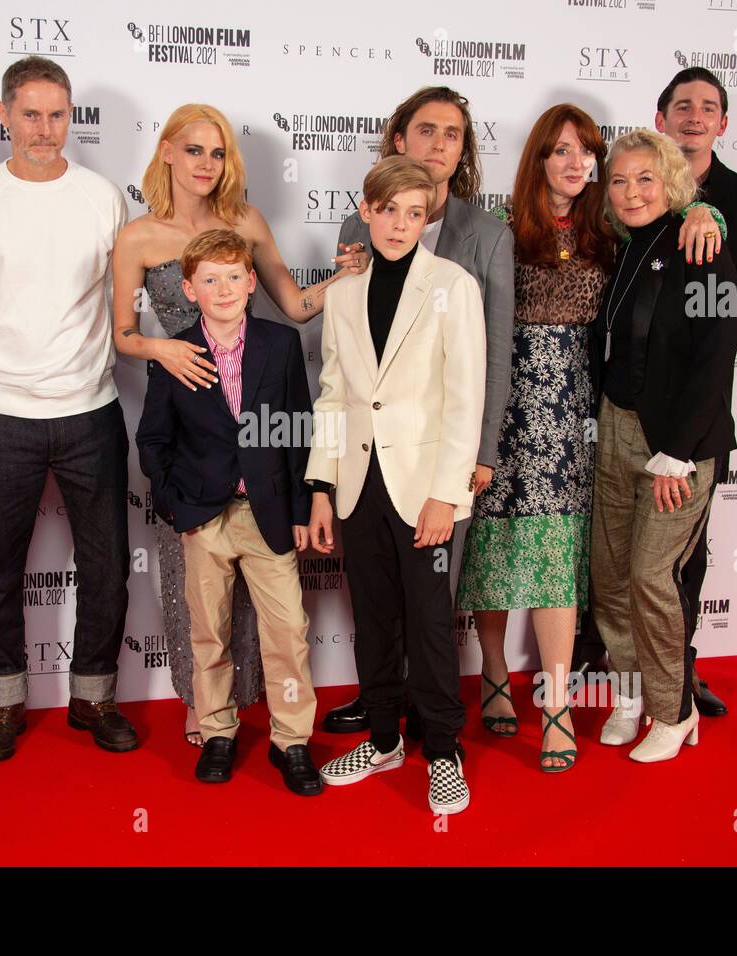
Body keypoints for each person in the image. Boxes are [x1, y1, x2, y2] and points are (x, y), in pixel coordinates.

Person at [112, 103, 365, 747]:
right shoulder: (139, 235)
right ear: (167, 151)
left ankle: (268, 716)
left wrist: (347, 275)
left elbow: (295, 307)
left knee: (269, 599)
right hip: (190, 423)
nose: (206, 164)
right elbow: (122, 334)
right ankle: (208, 709)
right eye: (193, 149)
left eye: (217, 152)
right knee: (197, 599)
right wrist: (162, 348)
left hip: (256, 433)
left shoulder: (246, 223)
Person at [0, 56, 135, 761]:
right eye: (30, 114)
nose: (44, 129)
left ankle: (93, 697)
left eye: (57, 114)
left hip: (92, 407)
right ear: (3, 115)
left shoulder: (102, 198)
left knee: (108, 566)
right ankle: (0, 705)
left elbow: (123, 304)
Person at [323, 85, 514, 738]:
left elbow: (485, 361)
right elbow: (342, 365)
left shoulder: (483, 238)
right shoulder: (358, 229)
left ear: (463, 151)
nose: (438, 143)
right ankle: (384, 714)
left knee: (432, 598)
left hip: (440, 460)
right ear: (400, 137)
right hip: (363, 463)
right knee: (375, 601)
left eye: (452, 134)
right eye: (425, 130)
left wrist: (476, 460)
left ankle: (436, 732)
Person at [309, 156, 486, 814]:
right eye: (389, 210)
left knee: (431, 624)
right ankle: (384, 740)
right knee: (374, 620)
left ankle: (443, 751)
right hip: (357, 483)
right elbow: (332, 392)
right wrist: (322, 487)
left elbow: (464, 401)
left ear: (428, 215)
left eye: (416, 213)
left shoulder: (453, 285)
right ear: (367, 206)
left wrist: (447, 493)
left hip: (423, 489)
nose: (400, 224)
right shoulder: (346, 290)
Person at [455, 105, 614, 771]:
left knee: (555, 558)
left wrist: (706, 215)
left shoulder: (611, 234)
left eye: (587, 152)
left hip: (571, 417)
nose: (576, 164)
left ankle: (555, 706)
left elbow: (674, 228)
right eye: (561, 151)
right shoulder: (499, 234)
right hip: (502, 410)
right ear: (538, 160)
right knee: (494, 548)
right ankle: (493, 671)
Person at [136, 229, 321, 795]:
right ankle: (218, 730)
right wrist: (176, 507)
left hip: (266, 511)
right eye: (209, 280)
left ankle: (292, 740)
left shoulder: (280, 344)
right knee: (208, 632)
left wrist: (300, 503)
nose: (223, 289)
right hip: (203, 516)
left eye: (233, 277)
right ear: (189, 289)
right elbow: (152, 440)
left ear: (250, 283)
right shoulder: (174, 353)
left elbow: (298, 428)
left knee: (287, 631)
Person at [589, 129, 737, 762]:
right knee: (611, 575)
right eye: (620, 180)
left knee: (654, 576)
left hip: (678, 440)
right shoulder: (626, 247)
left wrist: (677, 451)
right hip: (616, 427)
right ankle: (629, 697)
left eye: (644, 179)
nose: (631, 191)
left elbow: (715, 361)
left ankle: (673, 712)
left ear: (671, 182)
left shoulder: (700, 244)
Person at [654, 66, 737, 718]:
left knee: (685, 552)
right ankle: (619, 669)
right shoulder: (641, 189)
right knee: (620, 548)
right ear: (661, 119)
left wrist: (704, 338)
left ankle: (682, 671)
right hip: (626, 400)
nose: (694, 117)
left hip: (701, 402)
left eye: (707, 108)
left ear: (723, 124)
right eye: (682, 106)